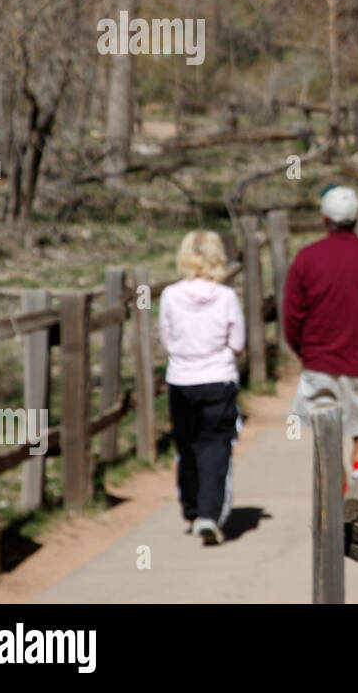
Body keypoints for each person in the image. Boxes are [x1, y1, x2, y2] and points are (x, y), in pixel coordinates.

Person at [285, 185, 358, 482]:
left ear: (324, 218)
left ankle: (335, 502)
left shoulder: (306, 258)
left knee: (326, 436)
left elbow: (291, 314)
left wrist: (303, 350)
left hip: (319, 363)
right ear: (356, 218)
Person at [160, 230, 245, 546]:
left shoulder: (170, 295)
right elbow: (237, 342)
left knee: (187, 445)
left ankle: (192, 506)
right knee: (216, 445)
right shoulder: (226, 298)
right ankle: (209, 514)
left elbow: (166, 339)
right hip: (218, 380)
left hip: (181, 381)